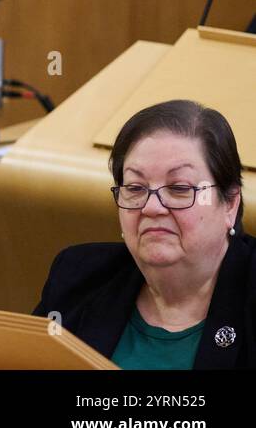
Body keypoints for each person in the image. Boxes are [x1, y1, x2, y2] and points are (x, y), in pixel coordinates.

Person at [34, 99, 253, 368]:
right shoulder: (78, 277)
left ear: (230, 202)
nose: (151, 207)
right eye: (136, 188)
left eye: (180, 188)